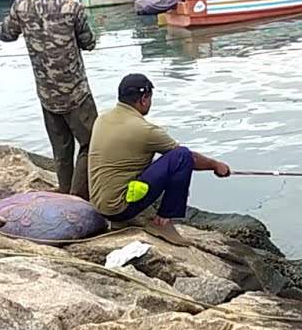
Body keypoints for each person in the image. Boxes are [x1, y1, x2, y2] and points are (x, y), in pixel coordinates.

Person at [88, 73, 230, 246]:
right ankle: (163, 221)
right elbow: (187, 158)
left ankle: (121, 221)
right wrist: (215, 165)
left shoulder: (102, 119)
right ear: (144, 99)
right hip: (120, 208)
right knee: (182, 156)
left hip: (100, 204)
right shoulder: (145, 130)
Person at [0, 0, 98, 199]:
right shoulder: (71, 8)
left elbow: (5, 34)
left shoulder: (22, 6)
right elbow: (88, 42)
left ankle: (65, 191)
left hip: (46, 93)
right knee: (91, 144)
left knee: (61, 148)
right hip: (76, 93)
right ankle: (78, 196)